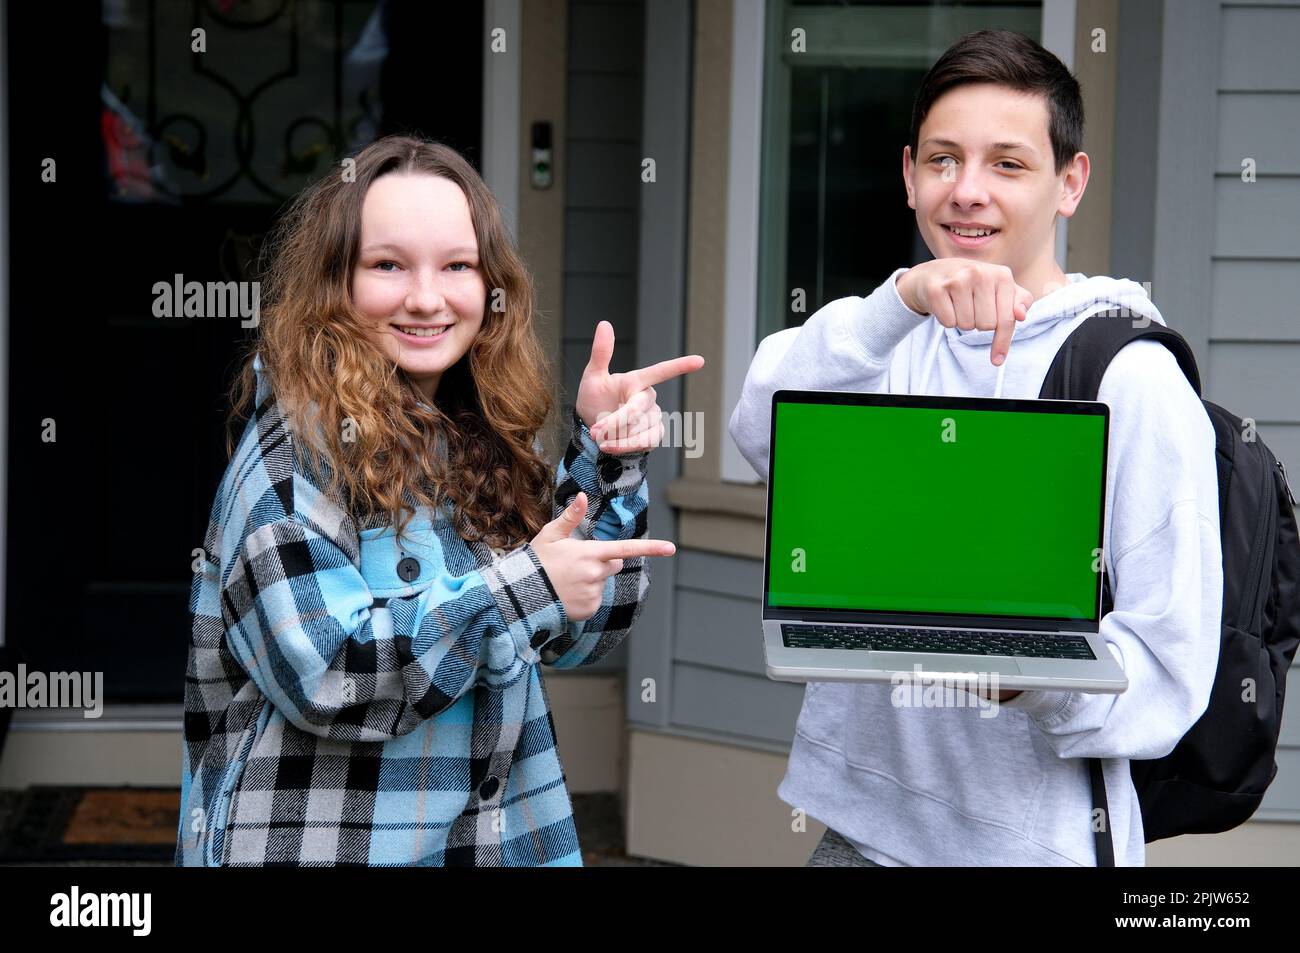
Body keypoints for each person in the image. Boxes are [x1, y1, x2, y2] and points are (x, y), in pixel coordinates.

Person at [728, 30, 1221, 867]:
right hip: (860, 826)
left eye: (1008, 164)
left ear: (1071, 183)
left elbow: (1171, 676)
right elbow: (759, 435)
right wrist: (896, 303)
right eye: (945, 160)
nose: (968, 192)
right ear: (910, 172)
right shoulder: (889, 334)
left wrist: (1020, 676)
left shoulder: (1130, 377)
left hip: (1028, 848)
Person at [176, 135, 703, 866]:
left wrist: (606, 455)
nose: (426, 298)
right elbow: (331, 678)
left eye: (457, 266)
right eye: (388, 265)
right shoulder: (290, 459)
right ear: (335, 282)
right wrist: (524, 586)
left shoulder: (479, 436)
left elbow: (578, 633)